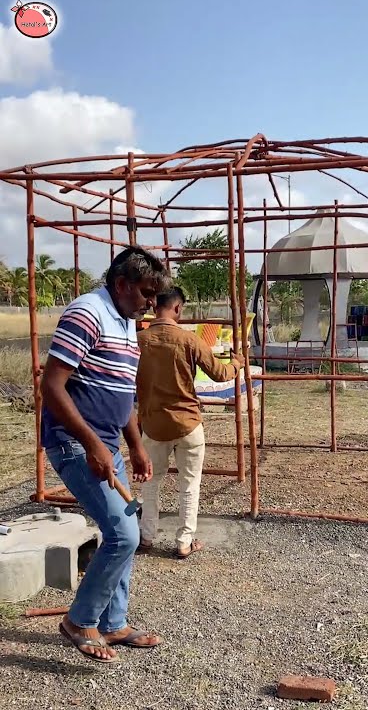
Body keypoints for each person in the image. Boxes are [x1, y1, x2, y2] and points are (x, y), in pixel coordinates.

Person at [40, 246, 168, 663]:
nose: (152, 302)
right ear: (122, 284)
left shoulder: (127, 322)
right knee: (124, 534)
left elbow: (122, 393)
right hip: (75, 443)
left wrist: (135, 445)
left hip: (107, 446)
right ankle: (79, 620)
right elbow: (52, 386)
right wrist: (93, 443)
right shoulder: (87, 313)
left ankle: (113, 623)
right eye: (147, 292)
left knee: (126, 529)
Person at [135, 286, 245, 559]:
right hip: (188, 423)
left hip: (153, 424)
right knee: (189, 484)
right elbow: (220, 374)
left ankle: (146, 536)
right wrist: (237, 364)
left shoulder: (138, 340)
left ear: (153, 306)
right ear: (177, 308)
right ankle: (184, 542)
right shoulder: (189, 340)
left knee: (151, 483)